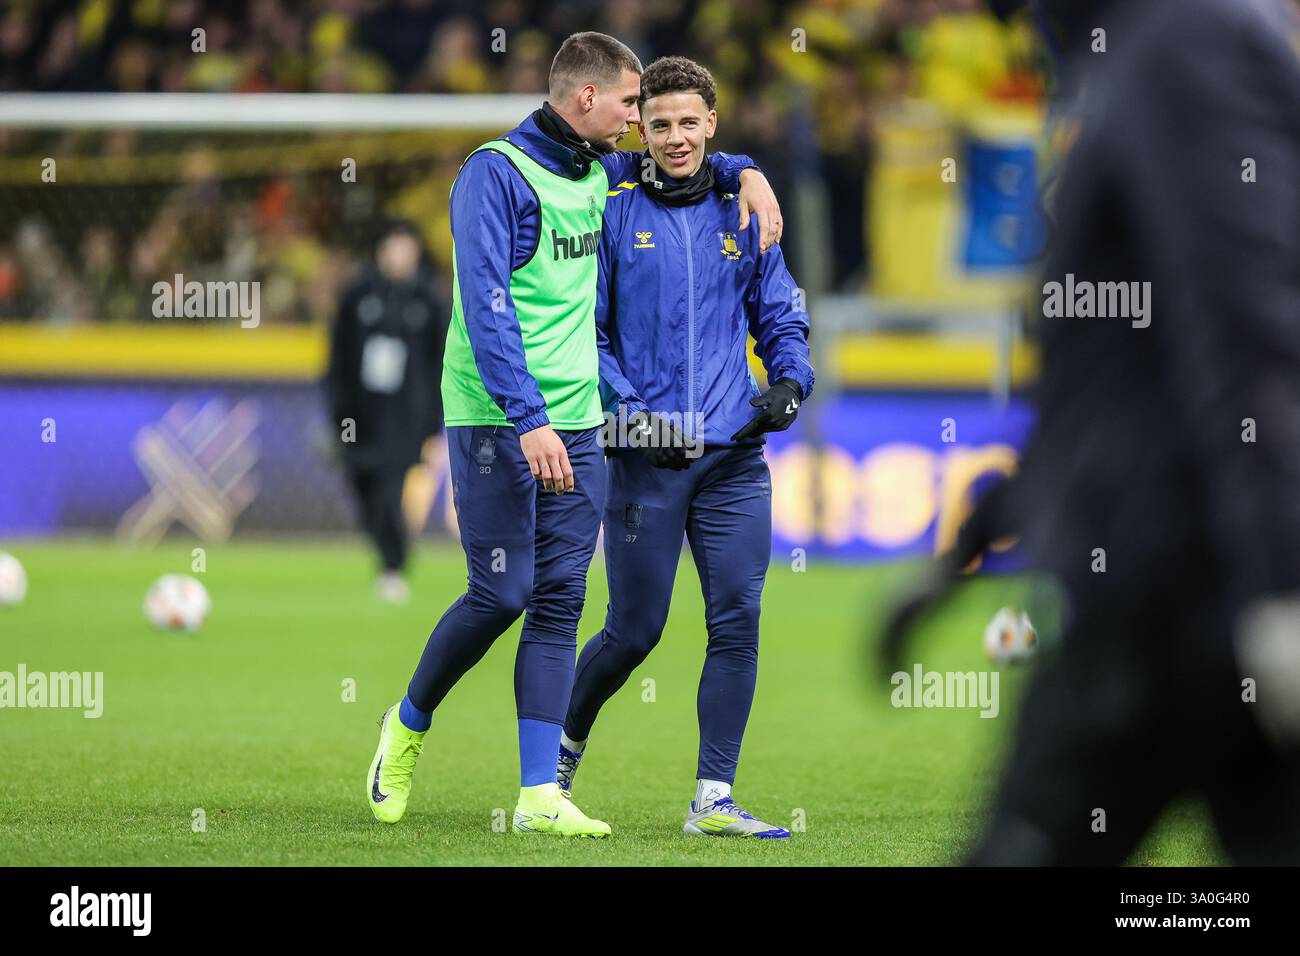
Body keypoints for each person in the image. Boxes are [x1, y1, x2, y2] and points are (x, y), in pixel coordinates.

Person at [887, 0, 1300, 865]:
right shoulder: (1137, 57)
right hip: (1174, 589)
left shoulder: (1185, 46)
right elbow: (1106, 381)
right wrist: (963, 550)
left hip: (1174, 596)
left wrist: (1282, 583)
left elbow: (1247, 320)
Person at [364, 32, 785, 837]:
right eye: (632, 106)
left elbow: (693, 157)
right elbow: (488, 311)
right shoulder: (494, 174)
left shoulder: (600, 170)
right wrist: (529, 421)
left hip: (583, 423)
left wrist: (752, 172)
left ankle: (537, 797)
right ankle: (407, 724)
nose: (642, 124)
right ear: (587, 99)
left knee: (560, 600)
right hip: (496, 416)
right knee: (503, 593)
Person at [555, 56, 814, 838]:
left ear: (711, 124)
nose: (674, 137)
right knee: (634, 631)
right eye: (658, 122)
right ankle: (556, 763)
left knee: (737, 617)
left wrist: (791, 381)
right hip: (645, 456)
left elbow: (781, 312)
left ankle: (713, 798)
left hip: (734, 456)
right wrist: (630, 417)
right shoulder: (608, 205)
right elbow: (586, 333)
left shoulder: (743, 207)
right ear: (640, 126)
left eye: (688, 123)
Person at [325, 220, 446, 604]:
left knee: (392, 487)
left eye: (405, 247)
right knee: (363, 484)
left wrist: (433, 415)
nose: (398, 255)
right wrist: (337, 409)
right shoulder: (357, 294)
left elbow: (441, 361)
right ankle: (387, 555)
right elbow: (337, 358)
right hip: (360, 416)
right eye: (392, 246)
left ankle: (393, 564)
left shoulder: (429, 299)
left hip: (406, 416)